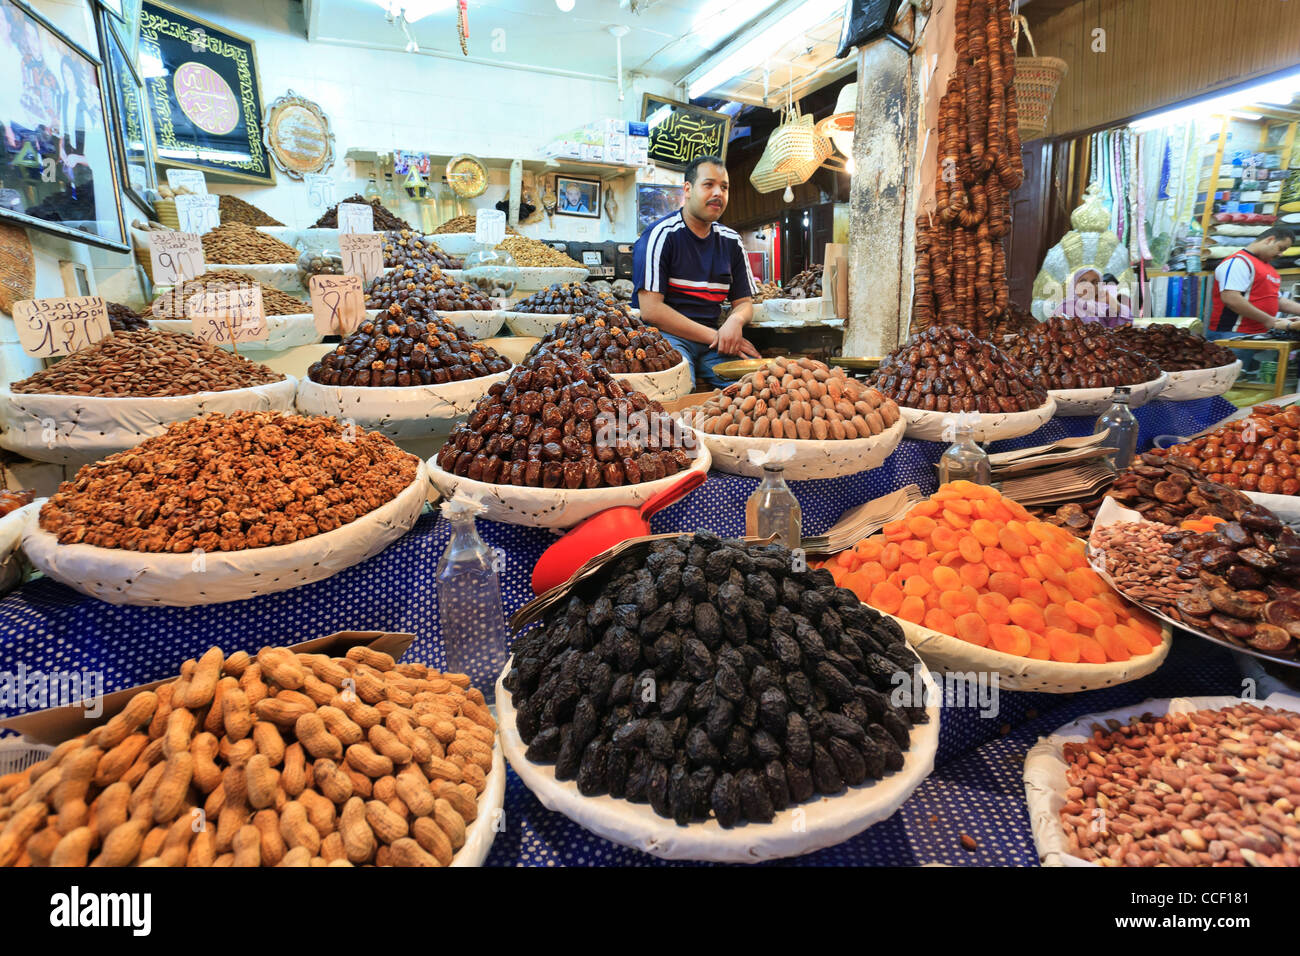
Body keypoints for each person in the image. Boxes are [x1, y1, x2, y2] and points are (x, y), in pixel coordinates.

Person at [632, 154, 757, 390]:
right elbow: (651, 310)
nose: (718, 193)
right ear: (687, 189)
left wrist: (735, 321)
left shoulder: (731, 241)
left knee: (756, 384)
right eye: (708, 185)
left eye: (724, 187)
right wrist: (716, 337)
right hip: (666, 338)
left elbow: (744, 302)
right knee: (676, 388)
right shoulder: (661, 235)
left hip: (713, 342)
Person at [1208, 226, 1300, 337]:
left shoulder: (1268, 268)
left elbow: (1276, 300)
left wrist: (1278, 321)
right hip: (1234, 333)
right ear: (1269, 240)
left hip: (1258, 333)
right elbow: (1231, 299)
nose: (1280, 254)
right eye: (1280, 248)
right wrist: (1268, 320)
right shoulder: (1239, 262)